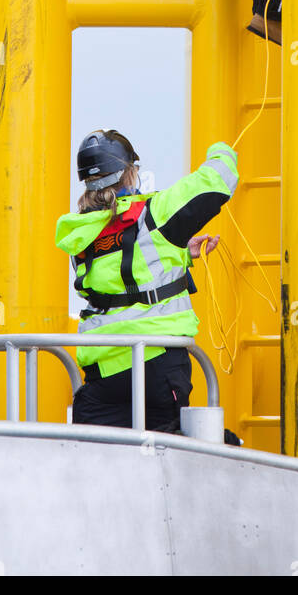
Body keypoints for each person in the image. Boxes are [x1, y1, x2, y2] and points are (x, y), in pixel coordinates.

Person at [55, 128, 238, 433]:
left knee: (100, 458)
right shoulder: (153, 215)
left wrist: (181, 252)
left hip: (103, 373)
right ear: (129, 174)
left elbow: (119, 276)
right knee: (164, 456)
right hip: (156, 363)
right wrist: (224, 149)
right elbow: (217, 181)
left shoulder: (78, 232)